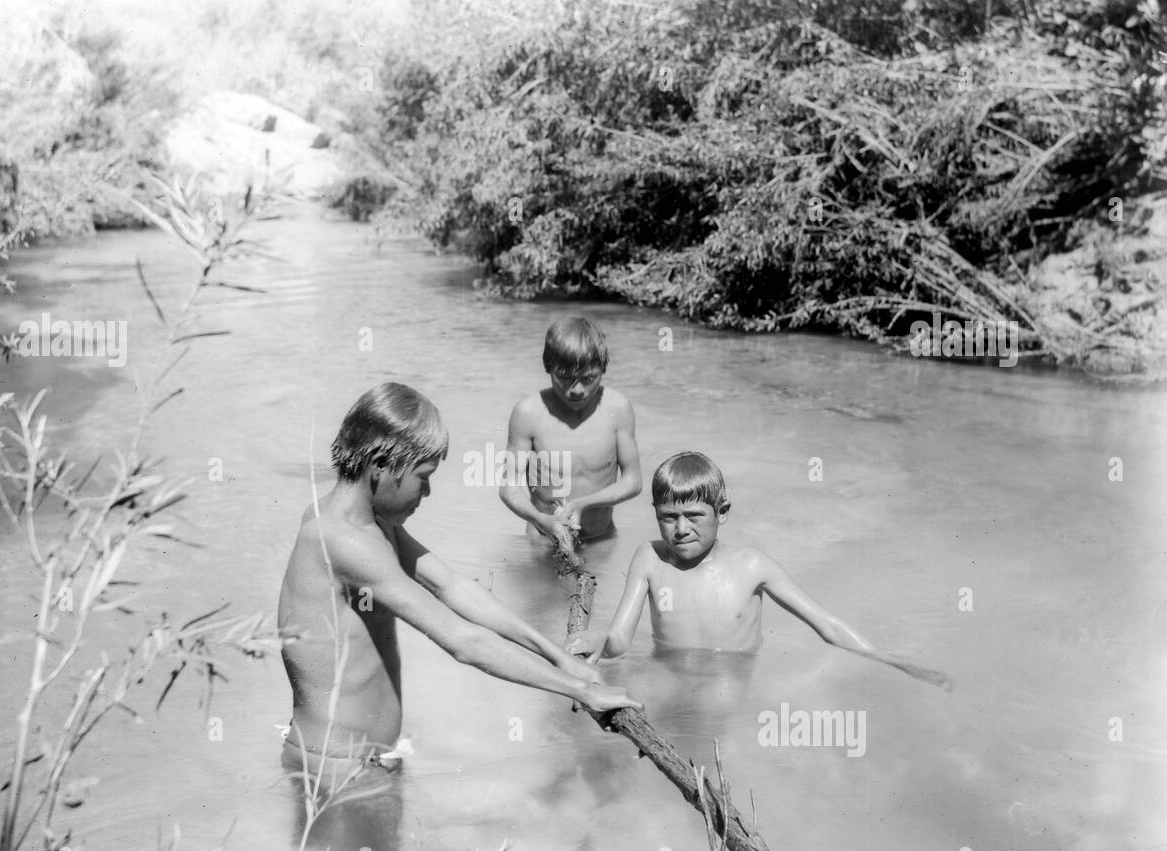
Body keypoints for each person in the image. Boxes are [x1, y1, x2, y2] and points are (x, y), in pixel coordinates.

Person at [278, 382, 640, 776]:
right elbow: (464, 641)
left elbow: (452, 587)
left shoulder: (370, 525)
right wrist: (581, 691)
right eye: (423, 476)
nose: (429, 492)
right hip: (335, 771)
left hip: (358, 763)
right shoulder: (343, 540)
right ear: (381, 466)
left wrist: (558, 657)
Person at [566, 452, 950, 688]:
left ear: (723, 513)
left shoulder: (752, 565)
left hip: (733, 689)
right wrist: (598, 640)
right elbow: (620, 637)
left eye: (694, 516)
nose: (681, 530)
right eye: (668, 517)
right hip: (671, 684)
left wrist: (891, 661)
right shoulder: (649, 559)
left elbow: (827, 625)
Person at [499, 316, 641, 545]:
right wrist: (540, 519)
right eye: (565, 378)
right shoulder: (528, 413)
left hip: (601, 539)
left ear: (603, 369)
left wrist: (582, 504)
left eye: (588, 378)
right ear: (548, 367)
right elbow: (508, 488)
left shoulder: (618, 409)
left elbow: (633, 481)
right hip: (543, 538)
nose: (577, 390)